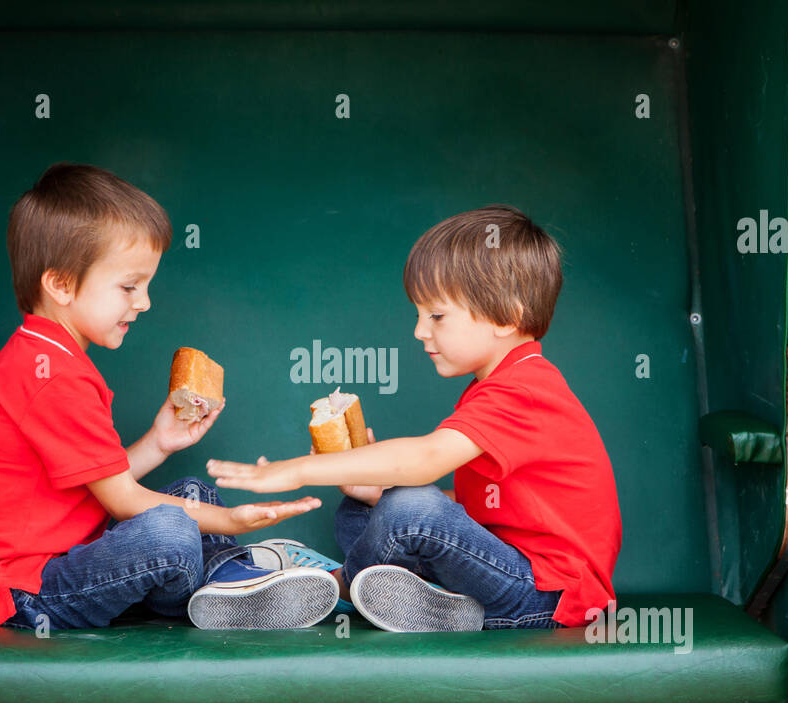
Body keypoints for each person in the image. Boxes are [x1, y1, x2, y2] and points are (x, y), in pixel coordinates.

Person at [0, 162, 338, 632]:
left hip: (66, 552)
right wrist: (230, 521)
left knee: (190, 495)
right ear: (61, 284)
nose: (143, 302)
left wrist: (159, 442)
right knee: (169, 529)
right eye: (129, 287)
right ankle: (235, 573)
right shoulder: (50, 375)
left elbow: (95, 485)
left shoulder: (49, 354)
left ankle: (233, 579)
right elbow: (123, 501)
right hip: (21, 591)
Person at [207, 205, 622, 632]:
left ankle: (330, 588)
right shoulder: (498, 384)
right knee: (362, 509)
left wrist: (296, 471)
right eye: (420, 314)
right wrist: (374, 492)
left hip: (546, 595)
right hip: (505, 569)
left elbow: (427, 457)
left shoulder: (525, 389)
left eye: (437, 316)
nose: (420, 331)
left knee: (411, 506)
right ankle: (425, 601)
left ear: (507, 315)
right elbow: (481, 513)